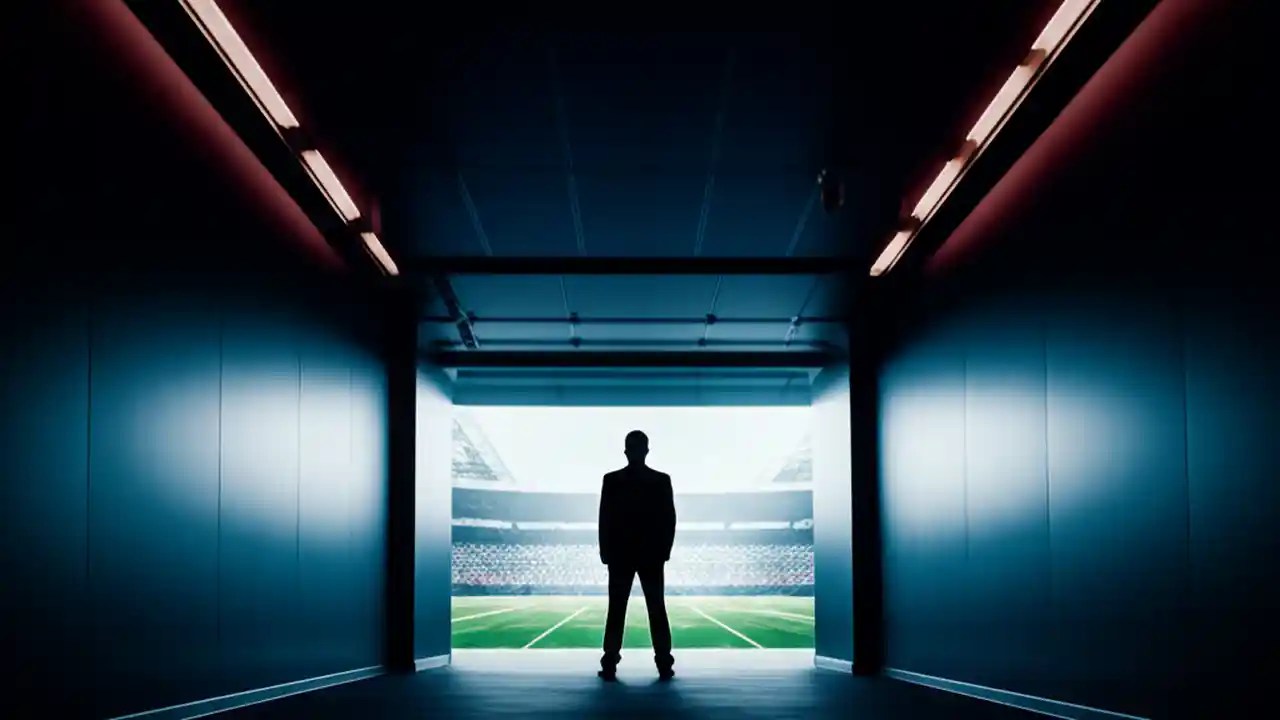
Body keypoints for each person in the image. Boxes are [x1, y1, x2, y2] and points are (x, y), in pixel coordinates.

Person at [597, 430, 676, 680]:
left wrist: (605, 551)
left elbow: (604, 518)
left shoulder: (611, 480)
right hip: (651, 555)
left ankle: (610, 660)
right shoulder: (661, 480)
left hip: (620, 554)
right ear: (647, 450)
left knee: (617, 609)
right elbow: (669, 519)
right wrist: (664, 551)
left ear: (626, 451)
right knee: (656, 609)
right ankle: (664, 661)